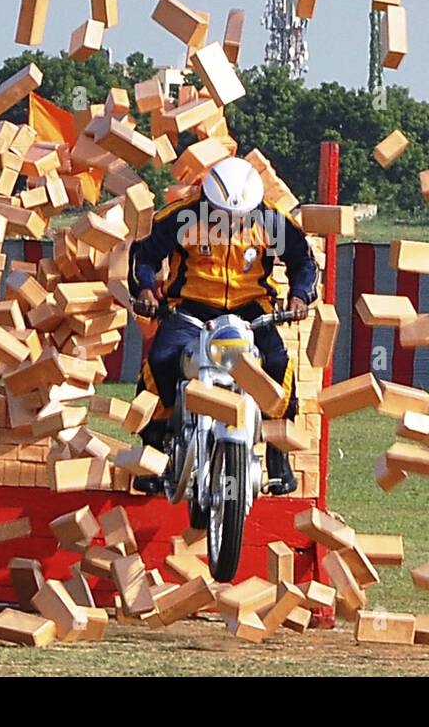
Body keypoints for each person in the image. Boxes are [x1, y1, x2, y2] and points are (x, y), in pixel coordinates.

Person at [128, 156, 317, 495]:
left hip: (252, 311)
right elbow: (144, 256)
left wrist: (300, 296)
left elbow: (303, 261)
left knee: (277, 364)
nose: (231, 222)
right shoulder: (181, 216)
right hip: (190, 310)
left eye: (240, 217)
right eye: (222, 215)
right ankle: (153, 450)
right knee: (161, 360)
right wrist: (144, 289)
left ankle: (277, 453)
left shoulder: (273, 220)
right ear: (207, 201)